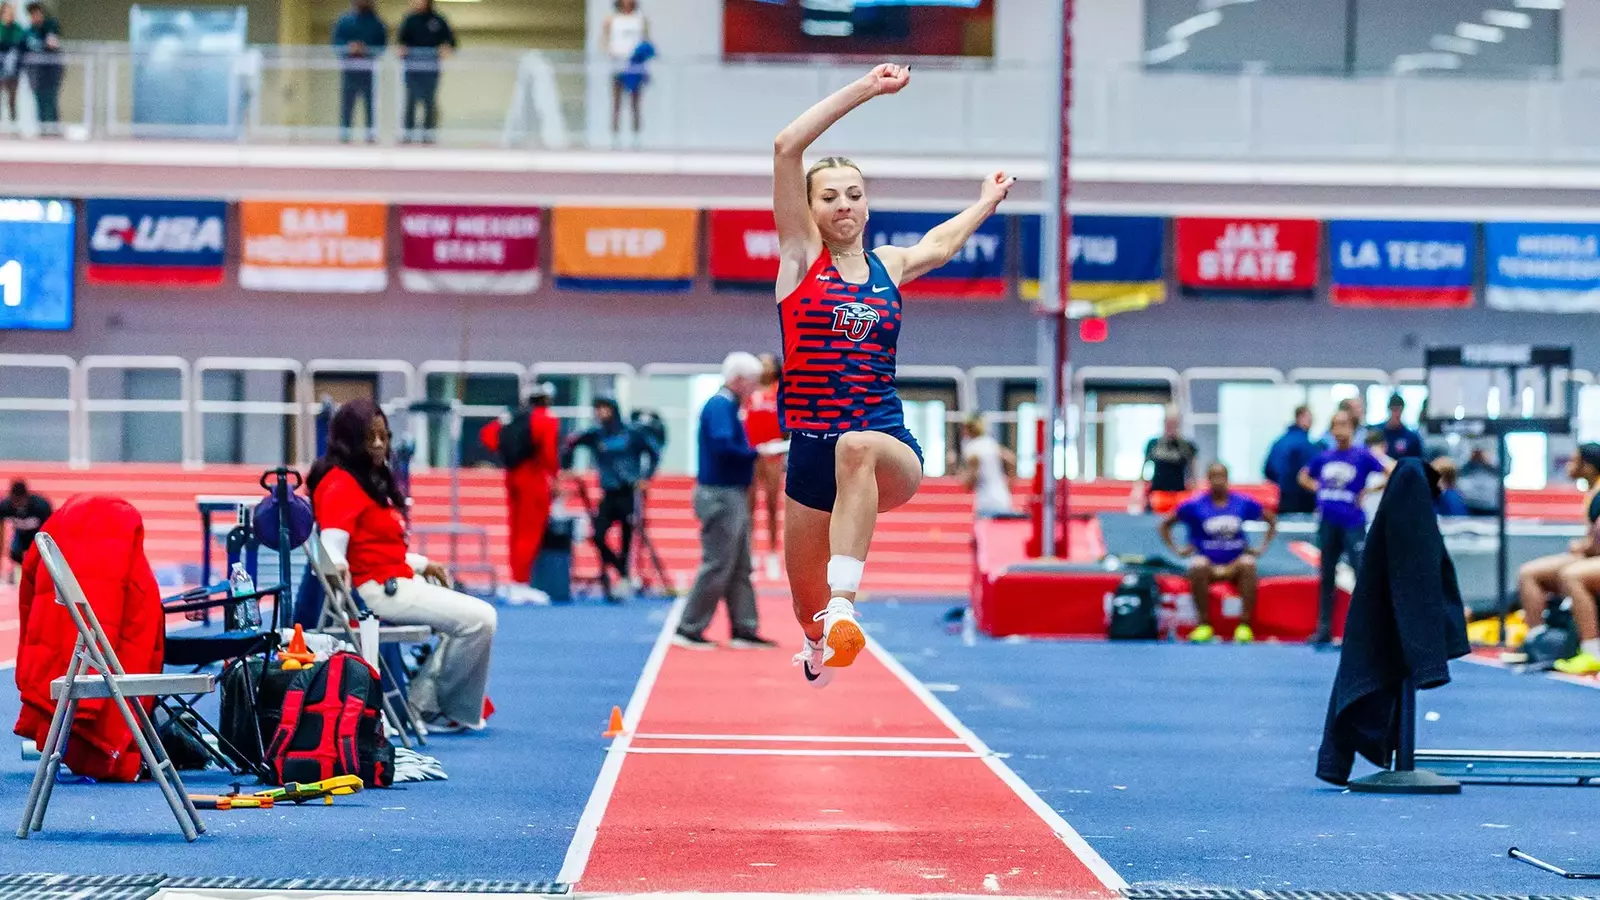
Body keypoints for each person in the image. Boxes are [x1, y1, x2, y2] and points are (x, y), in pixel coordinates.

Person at [772, 63, 1015, 687]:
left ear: (867, 202)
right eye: (829, 196)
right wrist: (867, 90)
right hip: (809, 451)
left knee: (857, 445)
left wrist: (985, 202)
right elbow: (786, 146)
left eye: (854, 193)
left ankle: (845, 608)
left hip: (884, 447)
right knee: (804, 608)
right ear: (808, 208)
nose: (844, 204)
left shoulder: (888, 266)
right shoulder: (800, 263)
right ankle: (818, 634)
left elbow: (939, 244)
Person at [308, 399, 497, 733]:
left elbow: (374, 548)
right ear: (349, 440)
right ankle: (436, 709)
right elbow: (331, 547)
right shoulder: (340, 484)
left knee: (470, 618)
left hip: (394, 578)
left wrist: (423, 563)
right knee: (481, 620)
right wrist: (336, 573)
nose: (380, 445)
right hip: (377, 591)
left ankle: (425, 702)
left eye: (384, 437)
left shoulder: (365, 479)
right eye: (370, 438)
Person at [676, 352, 776, 650]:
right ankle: (689, 627)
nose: (755, 389)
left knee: (739, 565)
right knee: (718, 563)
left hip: (729, 492)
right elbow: (723, 445)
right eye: (753, 383)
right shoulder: (721, 406)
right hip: (721, 493)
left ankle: (744, 628)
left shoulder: (728, 406)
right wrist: (757, 452)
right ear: (739, 380)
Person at [1161, 462, 1277, 644]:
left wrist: (1260, 548)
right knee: (1197, 565)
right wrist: (1178, 550)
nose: (1218, 481)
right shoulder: (1194, 505)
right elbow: (1165, 524)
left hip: (1235, 563)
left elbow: (1271, 519)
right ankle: (1204, 625)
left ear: (1227, 478)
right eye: (1213, 477)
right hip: (1208, 563)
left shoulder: (1242, 503)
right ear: (1207, 480)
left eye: (1221, 476)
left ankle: (1244, 626)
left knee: (1248, 563)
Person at [560, 396, 662, 601]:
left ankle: (624, 576)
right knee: (597, 534)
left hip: (628, 490)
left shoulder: (632, 432)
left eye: (603, 408)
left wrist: (646, 477)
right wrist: (567, 467)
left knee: (627, 535)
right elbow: (570, 442)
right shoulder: (596, 434)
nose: (600, 413)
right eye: (597, 409)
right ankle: (619, 568)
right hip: (608, 492)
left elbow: (653, 452)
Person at [1299, 409, 1387, 645]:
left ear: (1352, 427)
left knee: (1361, 573)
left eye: (1344, 424)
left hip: (1352, 522)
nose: (1340, 430)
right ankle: (1324, 629)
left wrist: (1368, 491)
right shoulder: (1324, 456)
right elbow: (1303, 476)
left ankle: (1368, 630)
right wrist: (1318, 489)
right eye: (1335, 425)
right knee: (1327, 574)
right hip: (1328, 521)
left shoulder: (1362, 455)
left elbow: (1389, 472)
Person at [1516, 443, 1600, 674]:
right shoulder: (1592, 492)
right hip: (1593, 555)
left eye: (1574, 460)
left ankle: (1592, 650)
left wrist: (1583, 548)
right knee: (1529, 573)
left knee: (1572, 576)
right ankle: (1537, 643)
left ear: (1588, 466)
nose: (1568, 465)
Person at [478, 383, 561, 603]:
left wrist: (506, 454)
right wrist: (554, 477)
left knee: (515, 531)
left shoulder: (512, 416)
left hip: (512, 475)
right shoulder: (547, 418)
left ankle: (516, 581)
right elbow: (550, 453)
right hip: (534, 476)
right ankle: (521, 583)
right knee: (529, 532)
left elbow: (487, 435)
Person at [744, 352, 787, 581]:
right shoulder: (749, 391)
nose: (763, 368)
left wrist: (782, 443)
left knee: (772, 505)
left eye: (767, 364)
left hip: (773, 453)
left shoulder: (780, 390)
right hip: (751, 453)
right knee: (749, 506)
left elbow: (787, 422)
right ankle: (749, 555)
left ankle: (772, 554)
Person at [397, 0, 456, 144]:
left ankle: (428, 136)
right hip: (412, 68)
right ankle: (407, 134)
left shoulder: (438, 20)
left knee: (429, 102)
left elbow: (451, 42)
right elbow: (400, 42)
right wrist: (402, 49)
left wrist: (445, 47)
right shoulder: (409, 20)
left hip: (431, 69)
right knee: (410, 101)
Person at [332, 0, 387, 144]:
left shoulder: (376, 22)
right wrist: (348, 47)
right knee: (347, 103)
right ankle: (345, 134)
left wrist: (367, 49)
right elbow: (336, 43)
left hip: (369, 71)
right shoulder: (345, 20)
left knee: (371, 103)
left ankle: (371, 135)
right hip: (349, 69)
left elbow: (381, 45)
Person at [603, 0, 649, 146]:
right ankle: (614, 137)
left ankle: (637, 137)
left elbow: (646, 41)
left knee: (635, 103)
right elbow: (605, 40)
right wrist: (610, 50)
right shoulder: (611, 19)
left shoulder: (640, 19)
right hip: (618, 66)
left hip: (634, 66)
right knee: (617, 103)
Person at [1263, 405, 1319, 515]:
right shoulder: (1304, 444)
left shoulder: (1279, 441)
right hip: (1301, 498)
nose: (1312, 422)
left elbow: (1267, 469)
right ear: (1300, 417)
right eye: (1309, 418)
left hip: (1281, 497)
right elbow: (1312, 471)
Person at [1140, 409, 1198, 516]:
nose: (1171, 426)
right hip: (1158, 493)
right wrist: (1140, 493)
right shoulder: (1153, 444)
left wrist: (1193, 493)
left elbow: (1193, 472)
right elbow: (1144, 470)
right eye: (1168, 423)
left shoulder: (1187, 446)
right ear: (1164, 423)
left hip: (1179, 494)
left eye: (1174, 423)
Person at [957, 414, 1015, 517]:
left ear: (968, 430)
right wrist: (1009, 483)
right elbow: (1011, 459)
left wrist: (962, 478)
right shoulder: (991, 443)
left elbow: (972, 477)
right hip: (1002, 497)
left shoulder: (972, 449)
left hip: (986, 500)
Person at [22, 3, 60, 135]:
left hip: (51, 71)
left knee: (51, 99)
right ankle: (42, 130)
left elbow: (52, 44)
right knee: (39, 100)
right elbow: (23, 50)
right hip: (35, 72)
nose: (36, 16)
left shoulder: (50, 26)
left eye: (38, 13)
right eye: (33, 14)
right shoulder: (28, 32)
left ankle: (55, 129)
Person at [2, 480, 49, 581]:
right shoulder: (6, 506)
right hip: (20, 535)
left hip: (37, 534)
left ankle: (39, 573)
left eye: (19, 500)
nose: (17, 503)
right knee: (14, 553)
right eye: (14, 500)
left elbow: (51, 527)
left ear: (26, 497)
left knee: (40, 556)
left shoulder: (41, 506)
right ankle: (22, 573)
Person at [0, 4, 24, 129]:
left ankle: (14, 127)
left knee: (12, 100)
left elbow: (18, 42)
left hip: (13, 72)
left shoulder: (17, 28)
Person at [1379, 393, 1424, 460]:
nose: (1396, 414)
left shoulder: (1411, 438)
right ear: (1389, 410)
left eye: (1398, 410)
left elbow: (1418, 462)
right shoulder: (1377, 433)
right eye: (1393, 410)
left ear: (1402, 410)